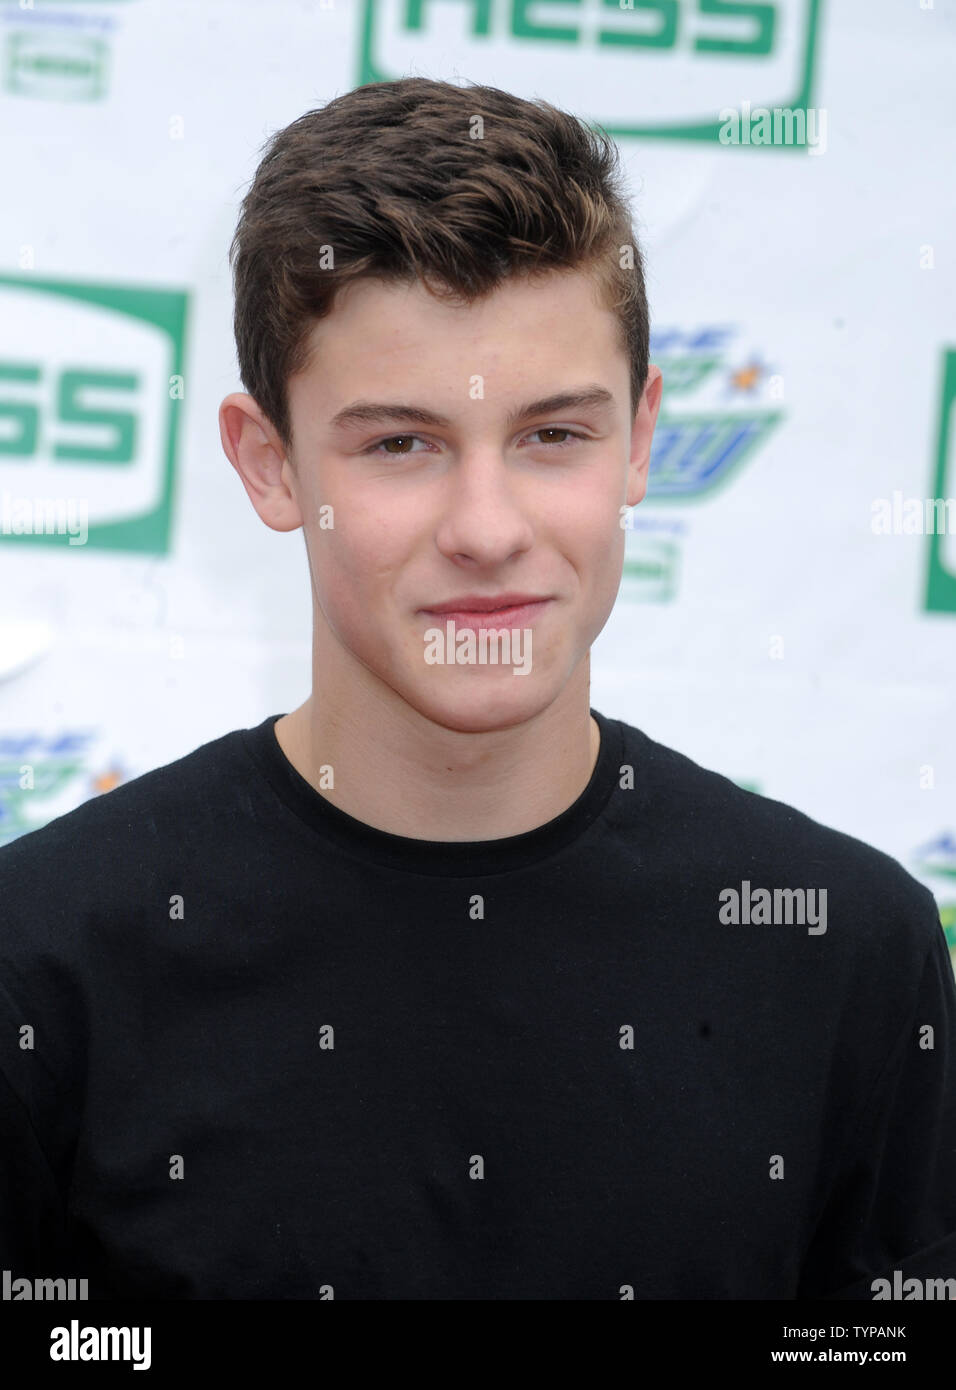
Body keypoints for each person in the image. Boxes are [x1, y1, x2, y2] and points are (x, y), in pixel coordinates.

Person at [1, 77, 954, 1301]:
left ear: (640, 441)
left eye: (553, 434)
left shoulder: (847, 951)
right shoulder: (45, 962)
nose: (487, 528)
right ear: (268, 463)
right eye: (400, 443)